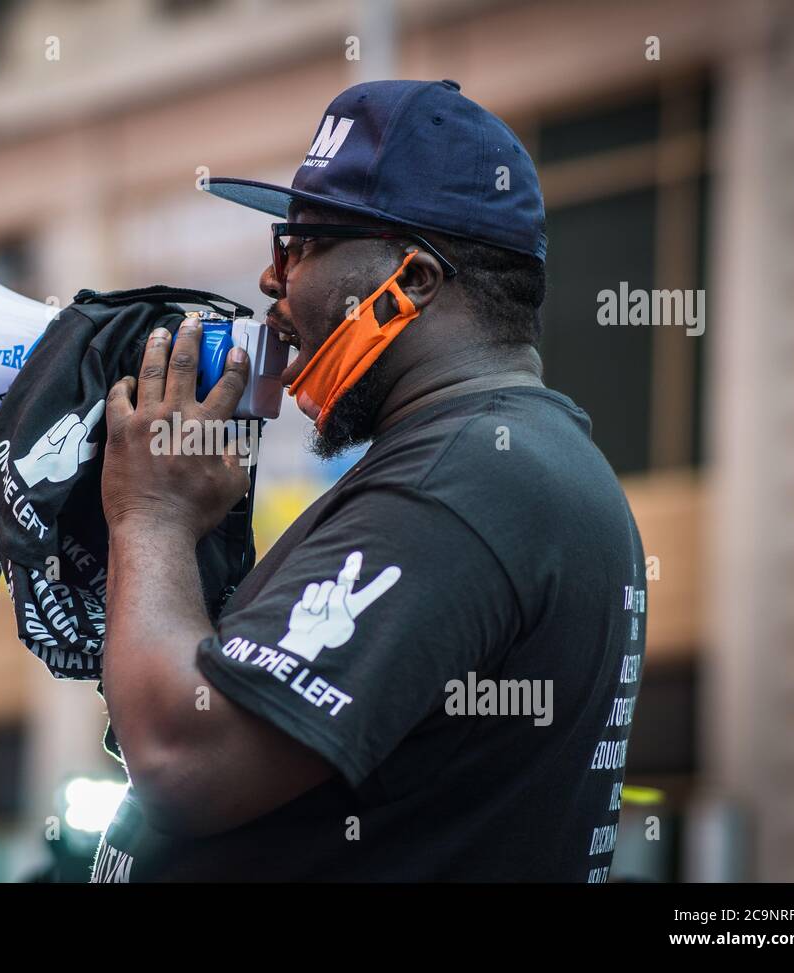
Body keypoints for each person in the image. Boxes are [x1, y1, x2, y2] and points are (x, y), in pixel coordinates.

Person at [92, 80, 646, 882]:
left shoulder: (466, 483)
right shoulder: (492, 461)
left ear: (414, 278)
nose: (270, 278)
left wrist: (151, 515)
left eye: (302, 245)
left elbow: (187, 756)